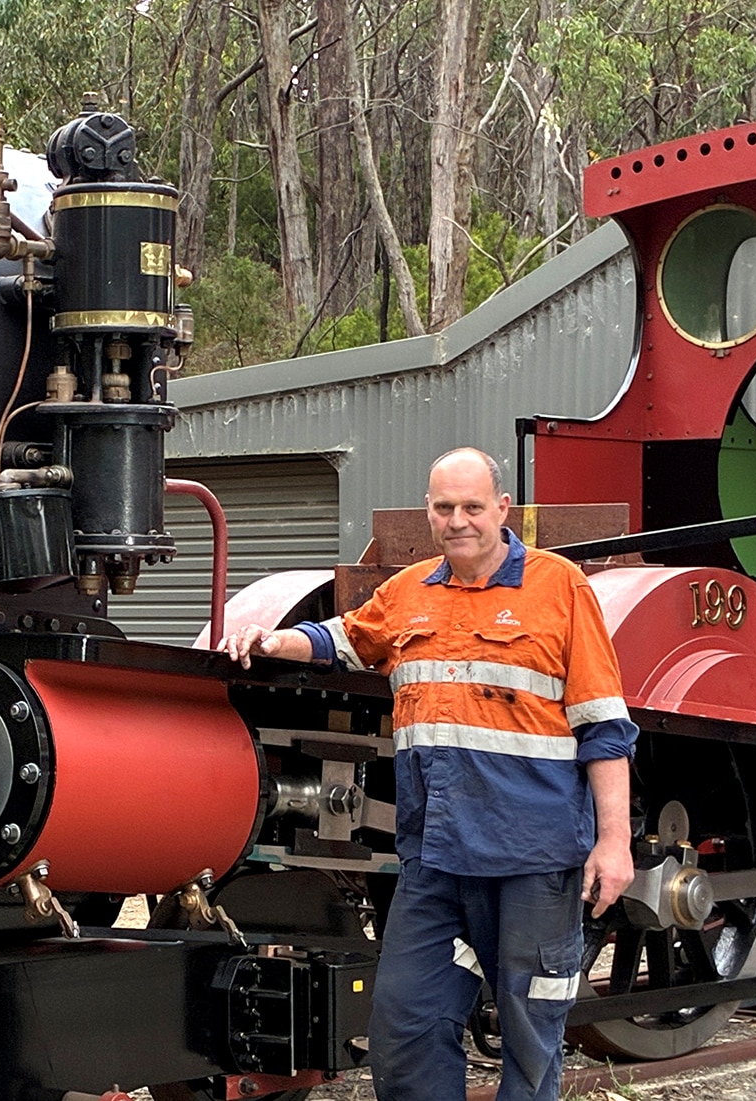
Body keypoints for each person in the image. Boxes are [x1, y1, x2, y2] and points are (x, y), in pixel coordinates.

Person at [219, 447, 637, 1101]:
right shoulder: (409, 593)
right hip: (436, 861)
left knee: (529, 1040)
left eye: (473, 506)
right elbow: (344, 637)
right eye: (445, 507)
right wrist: (273, 640)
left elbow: (606, 728)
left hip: (533, 857)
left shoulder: (560, 589)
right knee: (404, 1027)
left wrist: (614, 842)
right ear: (429, 512)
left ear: (502, 509)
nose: (459, 520)